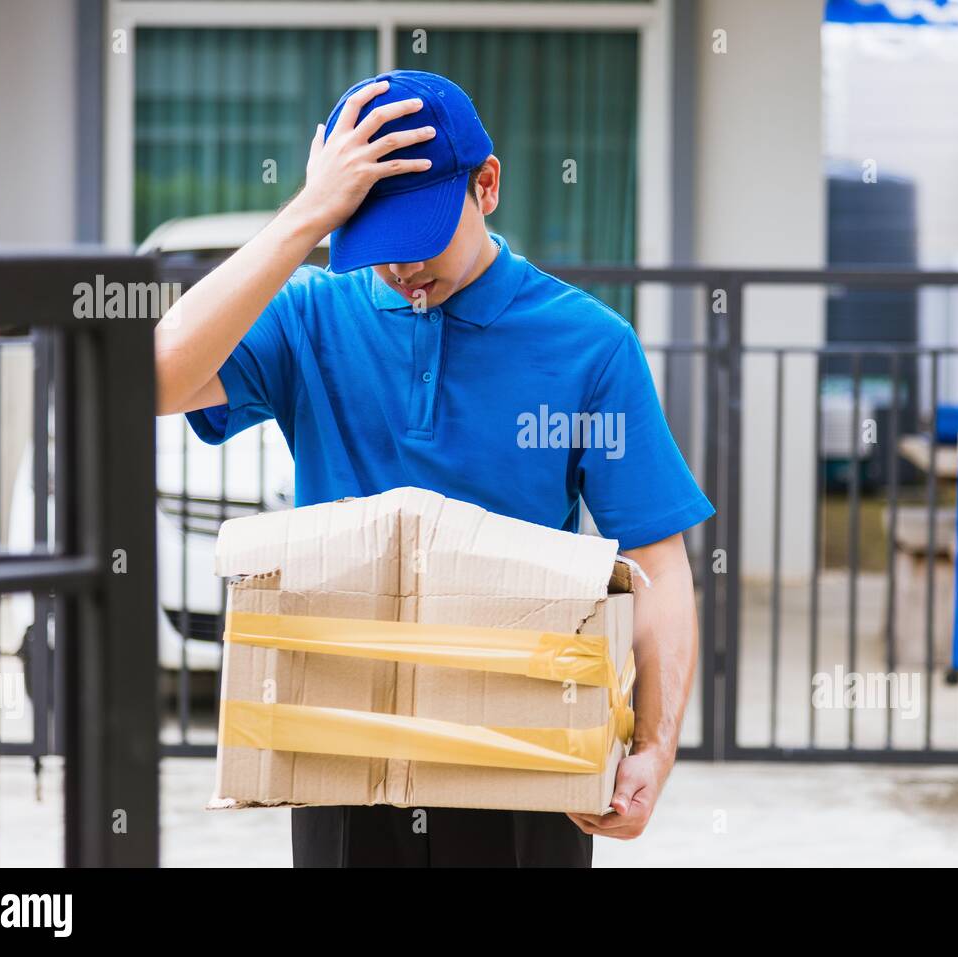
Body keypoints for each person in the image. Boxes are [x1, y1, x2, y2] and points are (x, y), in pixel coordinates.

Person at [154, 70, 714, 867]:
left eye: (419, 238)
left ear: (486, 186)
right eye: (375, 244)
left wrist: (655, 748)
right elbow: (154, 378)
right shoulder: (311, 314)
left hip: (529, 749)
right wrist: (308, 213)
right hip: (341, 744)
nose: (400, 268)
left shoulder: (589, 343)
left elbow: (658, 557)